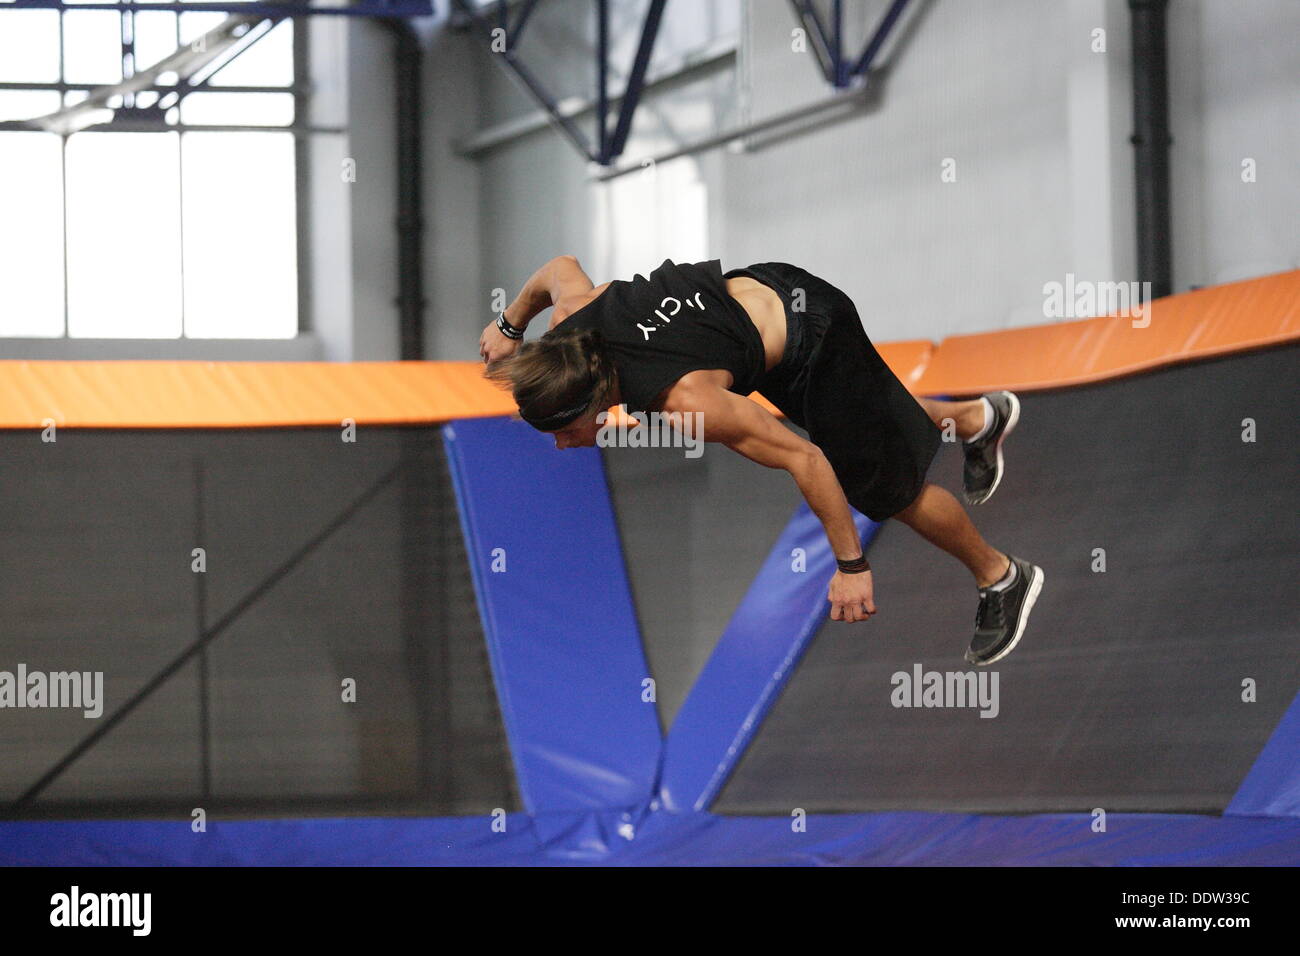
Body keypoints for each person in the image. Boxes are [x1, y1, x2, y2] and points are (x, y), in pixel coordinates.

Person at [479, 255, 1044, 665]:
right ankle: (977, 419)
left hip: (810, 335)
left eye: (563, 431)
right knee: (865, 412)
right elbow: (558, 269)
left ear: (591, 403)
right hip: (767, 292)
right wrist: (510, 326)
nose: (562, 444)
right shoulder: (574, 325)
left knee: (887, 490)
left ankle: (1001, 577)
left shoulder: (688, 403)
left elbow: (807, 460)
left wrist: (851, 568)